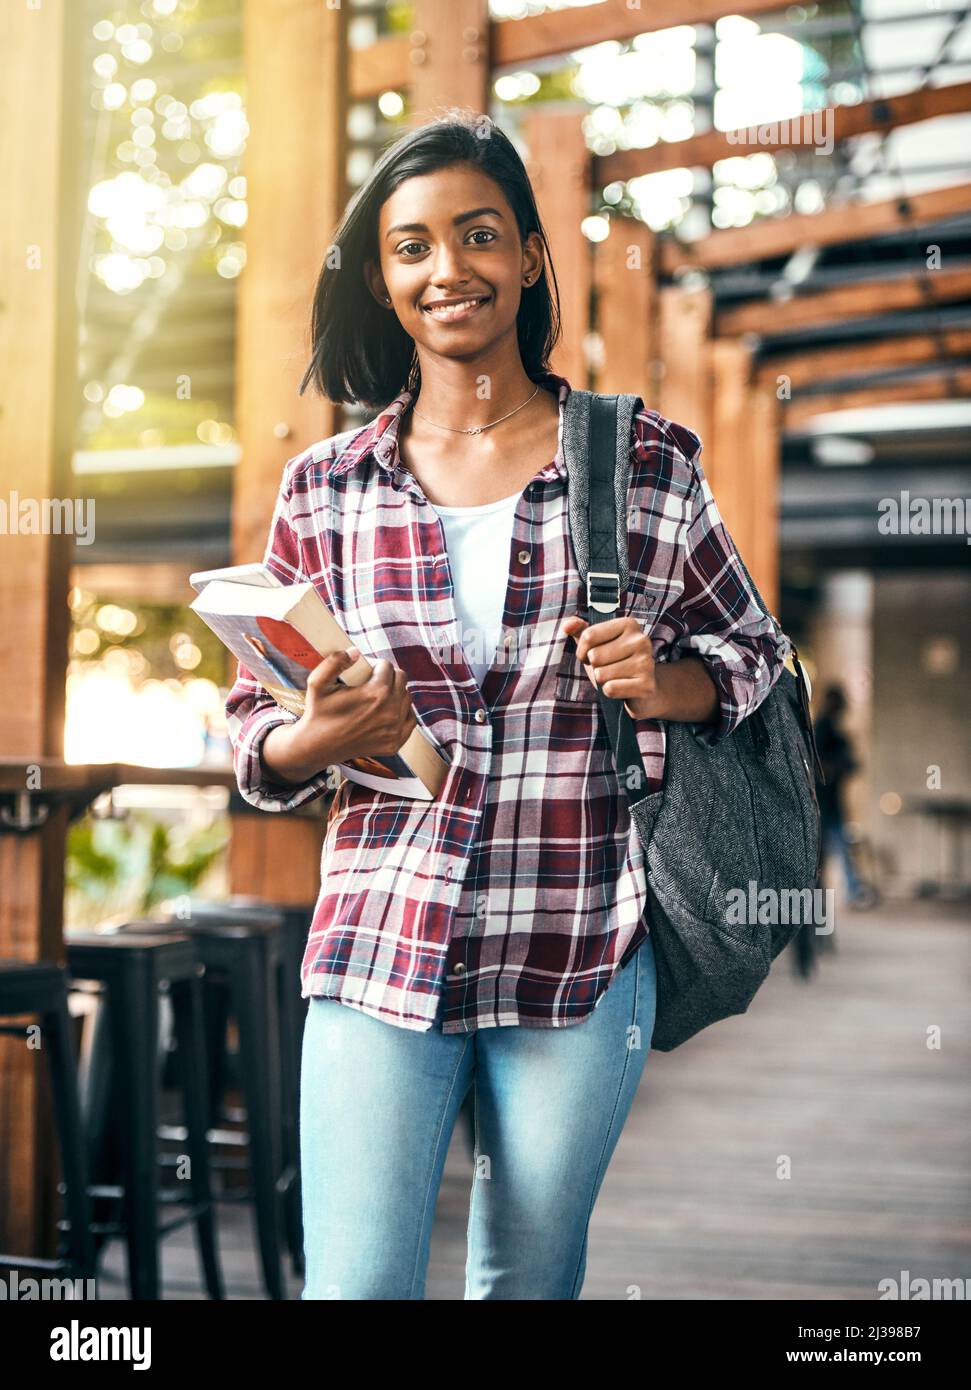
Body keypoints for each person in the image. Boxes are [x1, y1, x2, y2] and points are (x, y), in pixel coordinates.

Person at [225, 110, 789, 1300]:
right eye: (412, 247)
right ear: (381, 280)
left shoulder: (639, 463)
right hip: (382, 938)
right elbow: (247, 726)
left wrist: (666, 679)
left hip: (582, 941)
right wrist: (314, 737)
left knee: (524, 1284)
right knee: (356, 1289)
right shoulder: (324, 489)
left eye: (477, 236)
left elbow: (753, 656)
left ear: (530, 254)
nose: (447, 271)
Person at [813, 683, 866, 906]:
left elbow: (851, 764)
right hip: (823, 801)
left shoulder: (829, 728)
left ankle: (840, 890)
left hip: (828, 801)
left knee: (832, 849)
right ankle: (847, 889)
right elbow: (820, 764)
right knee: (832, 849)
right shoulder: (824, 728)